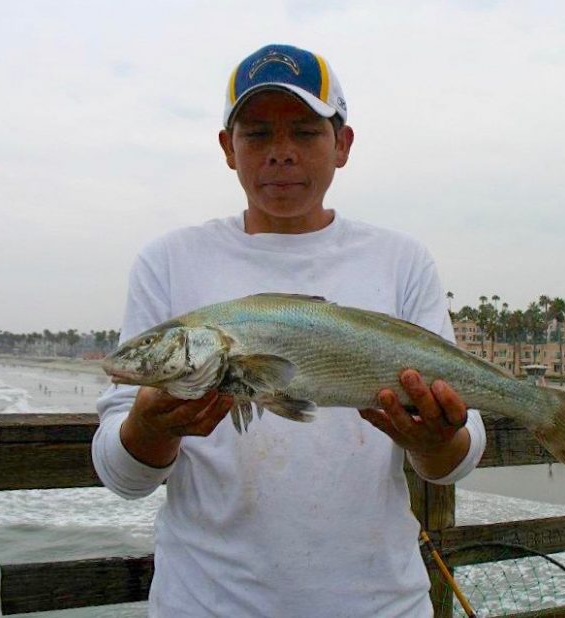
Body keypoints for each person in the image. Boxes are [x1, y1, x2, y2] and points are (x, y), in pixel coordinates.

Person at [92, 43, 487, 618]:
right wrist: (149, 428)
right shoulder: (170, 262)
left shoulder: (401, 261)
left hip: (382, 606)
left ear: (342, 144)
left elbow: (456, 456)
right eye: (257, 134)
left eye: (304, 132)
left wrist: (434, 441)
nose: (280, 153)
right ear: (227, 148)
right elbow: (122, 476)